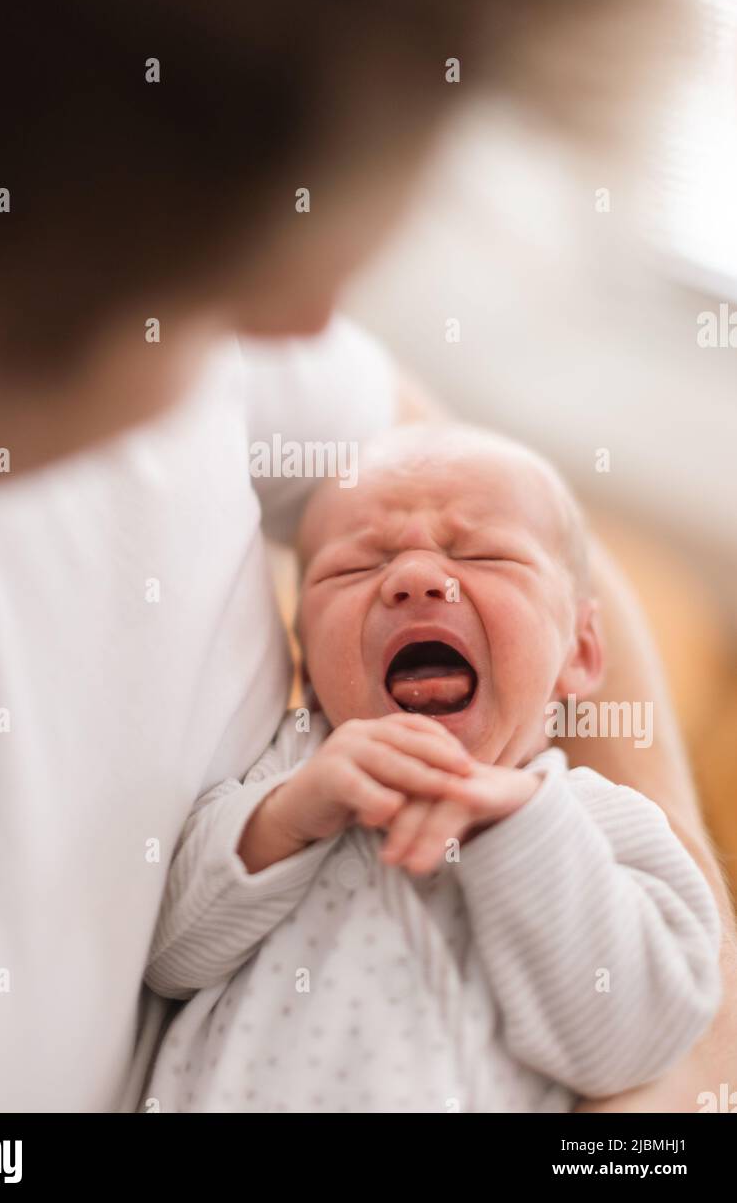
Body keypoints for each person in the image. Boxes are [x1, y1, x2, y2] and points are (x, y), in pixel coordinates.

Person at [0, 0, 732, 1112]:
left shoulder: (213, 350)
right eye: (236, 272)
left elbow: (513, 510)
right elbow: (187, 930)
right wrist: (287, 816)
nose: (303, 328)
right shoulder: (284, 773)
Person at [145, 427, 721, 1113]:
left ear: (583, 651)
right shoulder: (284, 776)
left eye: (484, 553)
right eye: (353, 568)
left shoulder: (606, 825)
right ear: (307, 665)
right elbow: (172, 964)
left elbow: (635, 1046)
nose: (415, 578)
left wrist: (521, 830)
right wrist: (287, 818)